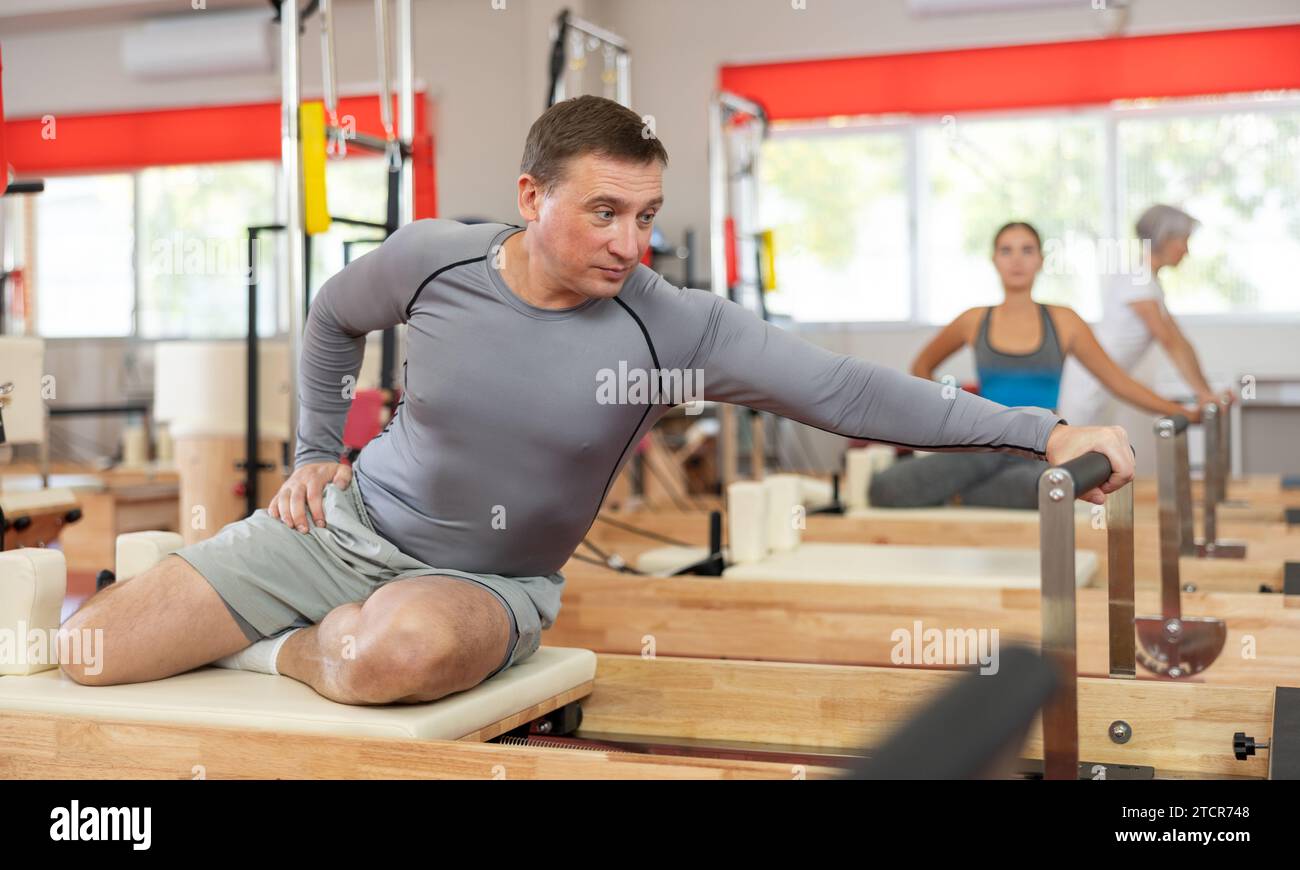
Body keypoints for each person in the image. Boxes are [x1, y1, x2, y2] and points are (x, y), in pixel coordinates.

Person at [60, 97, 1134, 704]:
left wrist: (1044, 429)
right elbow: (334, 315)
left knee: (387, 658)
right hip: (341, 533)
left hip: (487, 581)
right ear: (532, 200)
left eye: (648, 213)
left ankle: (286, 646)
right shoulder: (432, 260)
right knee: (89, 650)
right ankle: (285, 630)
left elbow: (850, 390)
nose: (632, 242)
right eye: (606, 212)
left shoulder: (672, 324)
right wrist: (307, 450)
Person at [869, 221, 1194, 510]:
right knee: (884, 489)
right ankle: (960, 492)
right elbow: (922, 365)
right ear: (994, 259)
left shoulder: (1064, 321)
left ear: (1040, 260)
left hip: (1039, 444)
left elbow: (1118, 381)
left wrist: (1178, 411)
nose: (1017, 259)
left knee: (1047, 491)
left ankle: (954, 494)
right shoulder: (973, 320)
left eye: (1027, 250)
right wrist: (950, 412)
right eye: (1006, 250)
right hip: (982, 441)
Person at [1057, 204, 1225, 427]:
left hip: (1104, 387)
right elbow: (1170, 343)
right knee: (1078, 456)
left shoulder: (1149, 283)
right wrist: (1204, 395)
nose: (1187, 251)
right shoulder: (1138, 282)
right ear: (1165, 239)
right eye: (1184, 241)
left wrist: (1206, 393)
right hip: (1087, 388)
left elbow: (1179, 340)